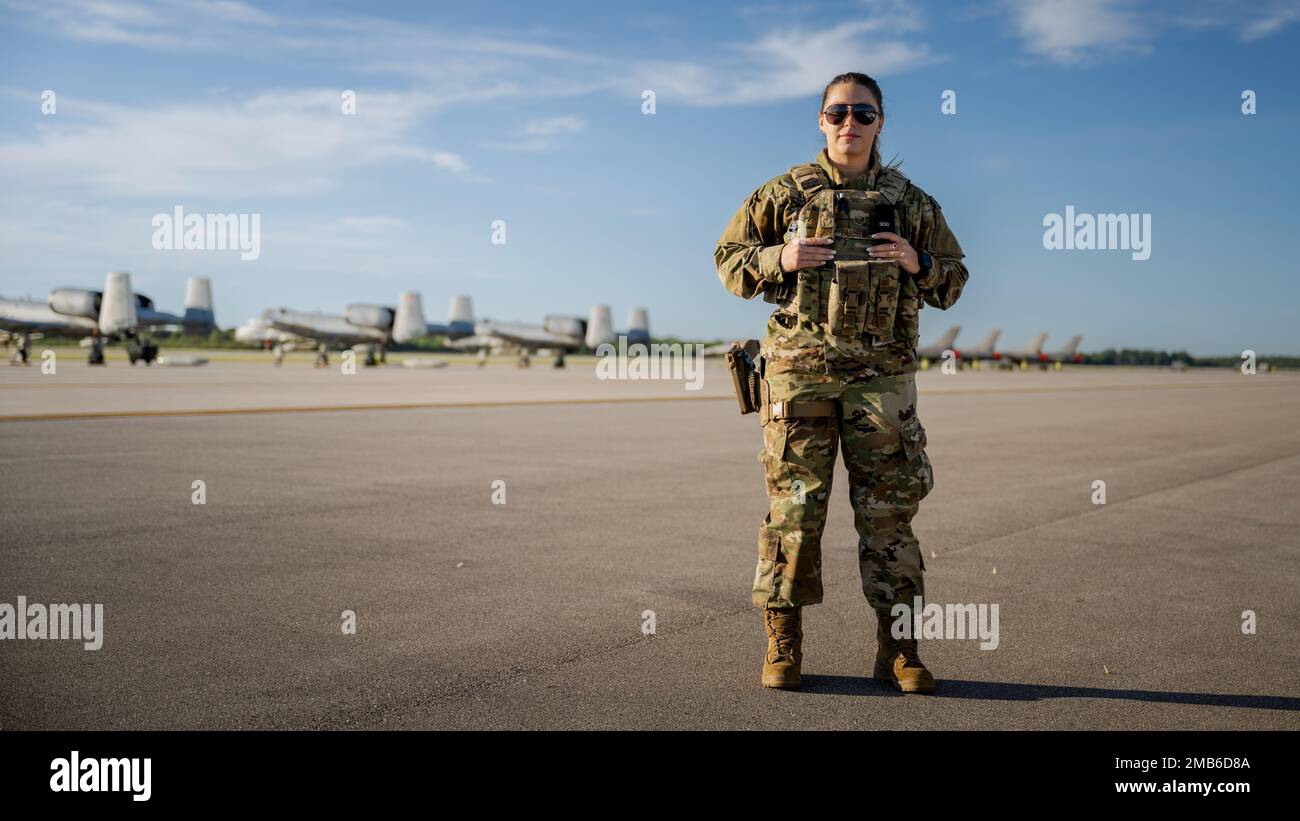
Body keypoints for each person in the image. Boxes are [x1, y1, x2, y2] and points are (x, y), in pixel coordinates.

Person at [713, 71, 969, 692]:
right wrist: (780, 257)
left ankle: (899, 650)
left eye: (863, 113)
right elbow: (728, 261)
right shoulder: (783, 194)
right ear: (821, 121)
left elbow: (955, 279)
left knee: (889, 516)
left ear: (881, 122)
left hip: (881, 380)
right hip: (800, 376)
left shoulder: (912, 204)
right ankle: (784, 643)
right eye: (837, 113)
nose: (849, 124)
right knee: (794, 513)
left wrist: (920, 261)